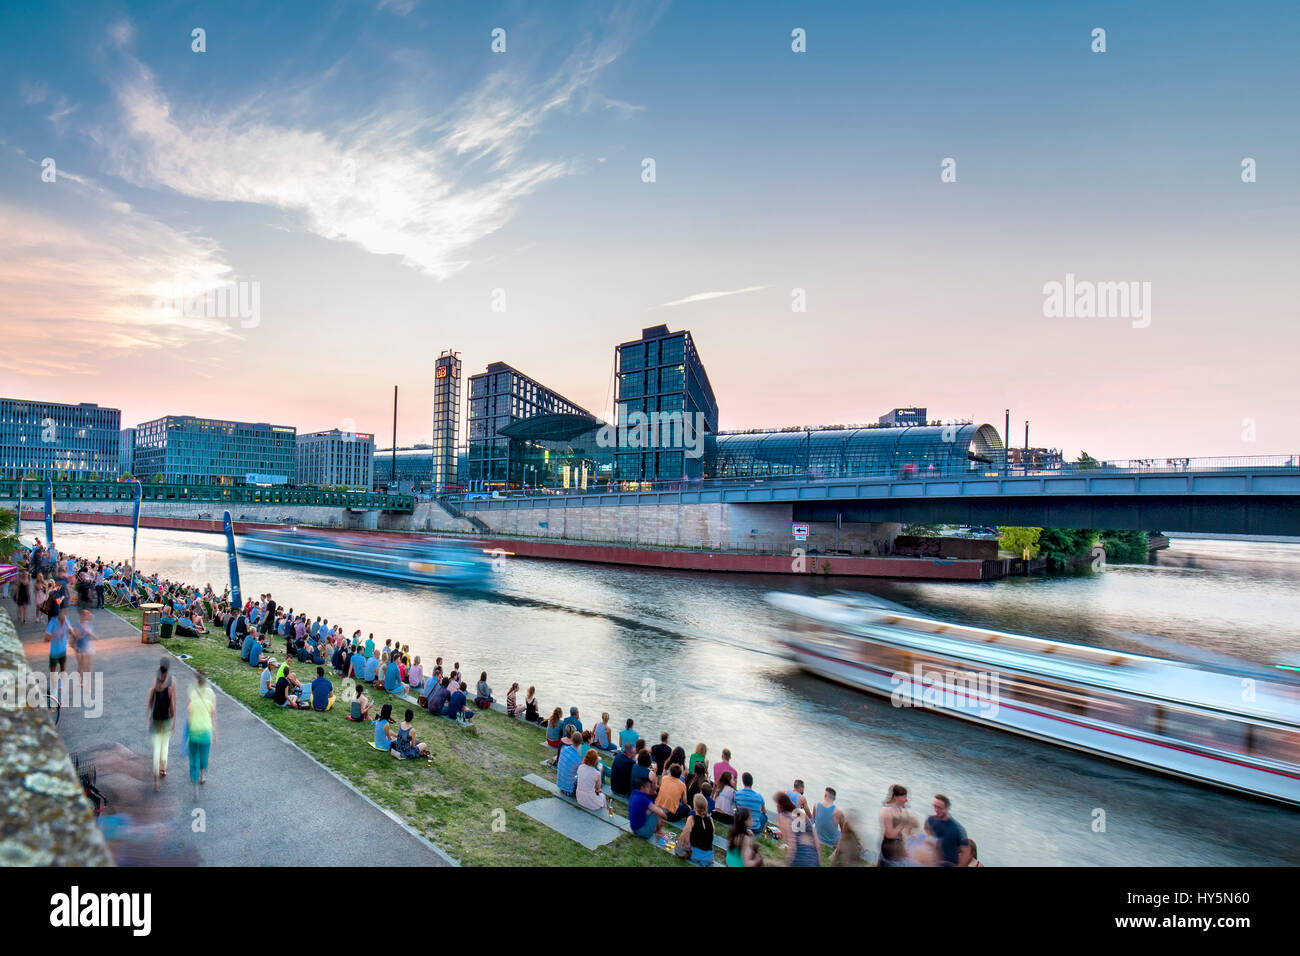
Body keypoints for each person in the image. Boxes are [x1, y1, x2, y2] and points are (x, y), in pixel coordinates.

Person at [146, 657, 177, 791]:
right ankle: (163, 769)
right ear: (168, 669)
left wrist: (148, 717)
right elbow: (173, 705)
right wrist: (174, 722)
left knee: (156, 748)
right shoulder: (172, 682)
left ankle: (156, 779)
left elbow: (150, 701)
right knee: (165, 745)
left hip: (156, 719)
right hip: (166, 720)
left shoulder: (154, 682)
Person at [186, 672, 217, 794]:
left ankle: (194, 778)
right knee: (204, 755)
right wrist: (215, 732)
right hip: (205, 732)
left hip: (194, 731)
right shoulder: (209, 698)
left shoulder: (193, 696)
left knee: (193, 756)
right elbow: (213, 716)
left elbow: (189, 716)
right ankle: (202, 776)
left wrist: (187, 731)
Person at [775, 791, 821, 867]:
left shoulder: (784, 817)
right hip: (813, 859)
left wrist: (788, 861)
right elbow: (817, 843)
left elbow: (793, 843)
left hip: (799, 859)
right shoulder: (802, 815)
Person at [926, 794, 969, 867]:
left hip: (949, 864)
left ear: (947, 808)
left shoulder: (958, 829)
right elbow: (926, 834)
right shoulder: (930, 820)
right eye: (935, 806)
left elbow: (966, 853)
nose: (936, 810)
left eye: (939, 808)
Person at [878, 784, 913, 866]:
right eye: (904, 797)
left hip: (899, 848)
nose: (906, 800)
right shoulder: (886, 811)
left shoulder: (901, 809)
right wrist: (903, 823)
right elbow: (889, 835)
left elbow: (906, 830)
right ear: (895, 797)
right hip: (890, 851)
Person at [678, 793, 715, 866]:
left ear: (695, 806)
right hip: (709, 858)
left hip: (696, 856)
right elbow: (711, 837)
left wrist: (679, 844)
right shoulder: (710, 820)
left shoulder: (691, 819)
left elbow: (683, 837)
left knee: (682, 844)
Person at [628, 777, 667, 843]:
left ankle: (659, 830)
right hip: (643, 832)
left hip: (634, 827)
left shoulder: (634, 793)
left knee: (652, 810)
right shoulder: (643, 799)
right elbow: (661, 813)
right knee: (657, 812)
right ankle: (659, 832)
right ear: (642, 788)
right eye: (648, 787)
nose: (650, 789)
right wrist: (665, 817)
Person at [45, 606, 72, 698]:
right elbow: (46, 637)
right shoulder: (53, 622)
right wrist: (55, 635)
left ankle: (60, 684)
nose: (64, 615)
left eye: (65, 613)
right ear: (59, 613)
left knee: (63, 668)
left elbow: (71, 631)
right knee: (53, 670)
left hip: (63, 650)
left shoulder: (66, 620)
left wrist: (72, 632)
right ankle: (54, 689)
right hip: (54, 651)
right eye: (62, 613)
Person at [72, 607, 96, 683]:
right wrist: (78, 635)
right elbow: (75, 637)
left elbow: (95, 637)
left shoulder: (89, 625)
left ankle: (88, 681)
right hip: (79, 648)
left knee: (88, 666)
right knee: (80, 665)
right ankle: (80, 681)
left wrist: (90, 632)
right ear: (81, 616)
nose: (86, 616)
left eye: (87, 615)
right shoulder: (77, 625)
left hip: (88, 647)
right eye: (85, 615)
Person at [556, 732, 583, 797]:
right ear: (581, 742)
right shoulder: (578, 759)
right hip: (569, 790)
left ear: (571, 739)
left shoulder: (563, 748)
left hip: (560, 785)